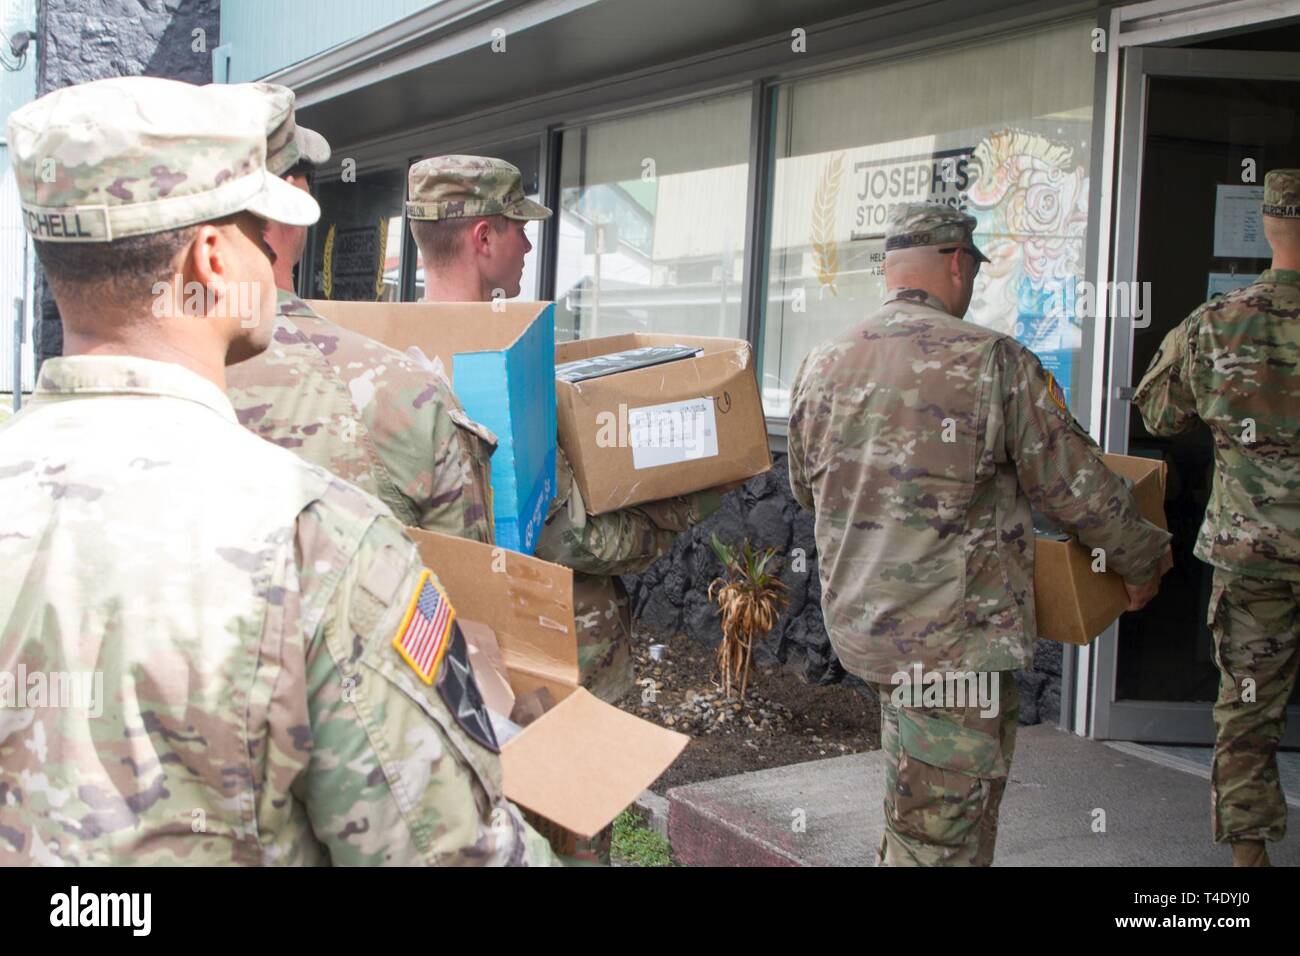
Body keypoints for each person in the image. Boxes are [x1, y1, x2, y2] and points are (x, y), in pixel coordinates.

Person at [0, 77, 553, 866]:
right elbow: (448, 852)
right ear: (213, 258)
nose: (275, 256)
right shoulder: (315, 541)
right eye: (264, 232)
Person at [787, 202, 1172, 866]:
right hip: (951, 646)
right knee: (939, 837)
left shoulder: (823, 362)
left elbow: (806, 486)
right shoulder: (992, 362)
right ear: (957, 263)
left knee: (929, 805)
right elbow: (1076, 488)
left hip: (871, 632)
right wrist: (1143, 560)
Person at [407, 154, 731, 704]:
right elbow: (573, 538)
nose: (530, 248)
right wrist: (694, 495)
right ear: (483, 238)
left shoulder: (393, 357)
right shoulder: (501, 369)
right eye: (520, 229)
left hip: (443, 662)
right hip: (549, 668)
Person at [227, 97, 495, 542]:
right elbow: (468, 595)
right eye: (307, 181)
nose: (526, 248)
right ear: (292, 200)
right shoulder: (408, 394)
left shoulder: (133, 387)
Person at [1133, 169, 1300, 868]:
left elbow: (1159, 413)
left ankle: (1250, 861)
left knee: (1249, 710)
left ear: (1265, 226)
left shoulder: (1216, 323)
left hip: (1252, 551)